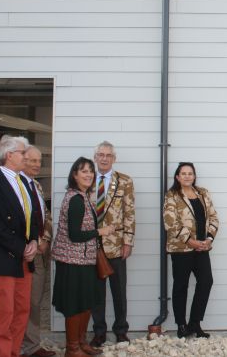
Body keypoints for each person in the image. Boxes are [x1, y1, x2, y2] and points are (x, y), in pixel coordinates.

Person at [0, 135, 40, 357]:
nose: (27, 157)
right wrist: (21, 247)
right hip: (3, 257)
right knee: (4, 312)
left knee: (22, 310)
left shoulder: (24, 182)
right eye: (23, 153)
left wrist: (34, 241)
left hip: (24, 258)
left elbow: (33, 217)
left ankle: (14, 352)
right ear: (9, 155)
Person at [51, 157, 114, 357]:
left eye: (91, 171)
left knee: (86, 303)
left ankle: (81, 342)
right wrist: (100, 232)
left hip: (85, 261)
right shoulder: (76, 200)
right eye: (83, 171)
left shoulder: (84, 196)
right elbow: (75, 235)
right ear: (74, 175)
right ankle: (72, 348)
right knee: (75, 305)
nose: (89, 175)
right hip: (72, 262)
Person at [163, 162, 220, 338]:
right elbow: (170, 223)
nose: (187, 176)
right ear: (177, 177)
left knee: (206, 281)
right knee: (181, 286)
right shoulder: (172, 195)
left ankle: (195, 323)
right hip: (181, 249)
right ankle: (181, 325)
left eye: (190, 173)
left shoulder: (203, 193)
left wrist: (209, 239)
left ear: (194, 176)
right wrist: (191, 242)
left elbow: (213, 217)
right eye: (183, 173)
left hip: (202, 248)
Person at [90, 141, 135, 346]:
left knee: (119, 291)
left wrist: (128, 242)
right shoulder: (86, 179)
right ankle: (99, 331)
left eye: (108, 155)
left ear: (114, 159)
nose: (104, 158)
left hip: (116, 245)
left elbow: (129, 213)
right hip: (91, 245)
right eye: (101, 155)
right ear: (95, 157)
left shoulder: (124, 181)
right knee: (96, 292)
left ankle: (121, 330)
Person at [20, 146, 55, 357]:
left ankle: (31, 345)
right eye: (32, 160)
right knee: (20, 301)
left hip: (40, 253)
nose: (36, 164)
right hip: (22, 253)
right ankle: (20, 345)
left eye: (39, 161)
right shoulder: (16, 185)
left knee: (34, 301)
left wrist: (45, 239)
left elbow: (46, 216)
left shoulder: (37, 186)